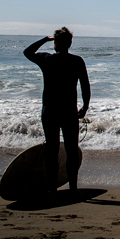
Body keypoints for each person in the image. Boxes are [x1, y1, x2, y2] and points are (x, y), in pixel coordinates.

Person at [24, 27, 90, 193]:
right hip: (68, 111)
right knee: (71, 151)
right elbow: (85, 86)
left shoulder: (47, 59)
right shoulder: (77, 61)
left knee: (52, 151)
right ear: (70, 43)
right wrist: (85, 106)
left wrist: (45, 39)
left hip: (50, 111)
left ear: (55, 43)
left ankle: (52, 189)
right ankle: (73, 188)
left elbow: (27, 52)